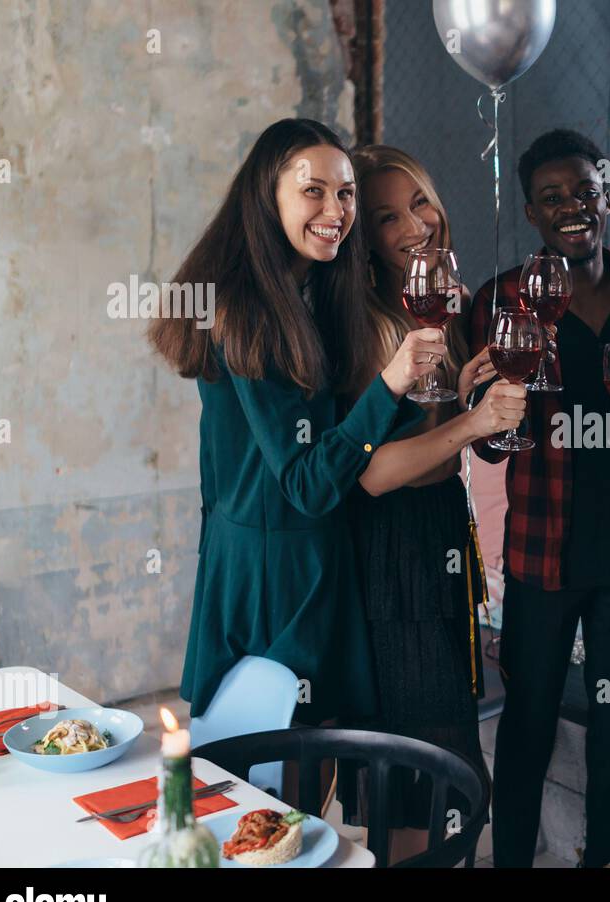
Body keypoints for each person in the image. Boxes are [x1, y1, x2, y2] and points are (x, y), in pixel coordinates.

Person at [148, 119, 444, 728]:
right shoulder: (245, 309)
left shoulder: (313, 288)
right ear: (268, 195)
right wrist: (392, 382)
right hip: (271, 567)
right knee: (273, 777)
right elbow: (308, 483)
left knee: (311, 769)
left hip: (309, 553)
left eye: (346, 193)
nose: (335, 210)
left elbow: (332, 432)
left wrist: (442, 394)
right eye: (314, 190)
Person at [468, 129, 610, 868]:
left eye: (585, 190)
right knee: (528, 723)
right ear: (530, 211)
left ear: (606, 194)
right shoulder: (502, 299)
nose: (572, 206)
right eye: (553, 197)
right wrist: (493, 407)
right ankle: (514, 858)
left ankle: (604, 855)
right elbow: (487, 441)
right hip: (543, 558)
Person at [335, 146, 527, 862]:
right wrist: (472, 422)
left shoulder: (447, 300)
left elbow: (441, 449)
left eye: (419, 200)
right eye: (386, 217)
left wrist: (474, 392)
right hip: (394, 554)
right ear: (364, 240)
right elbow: (374, 474)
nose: (415, 223)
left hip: (439, 543)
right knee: (431, 777)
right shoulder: (367, 321)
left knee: (443, 767)